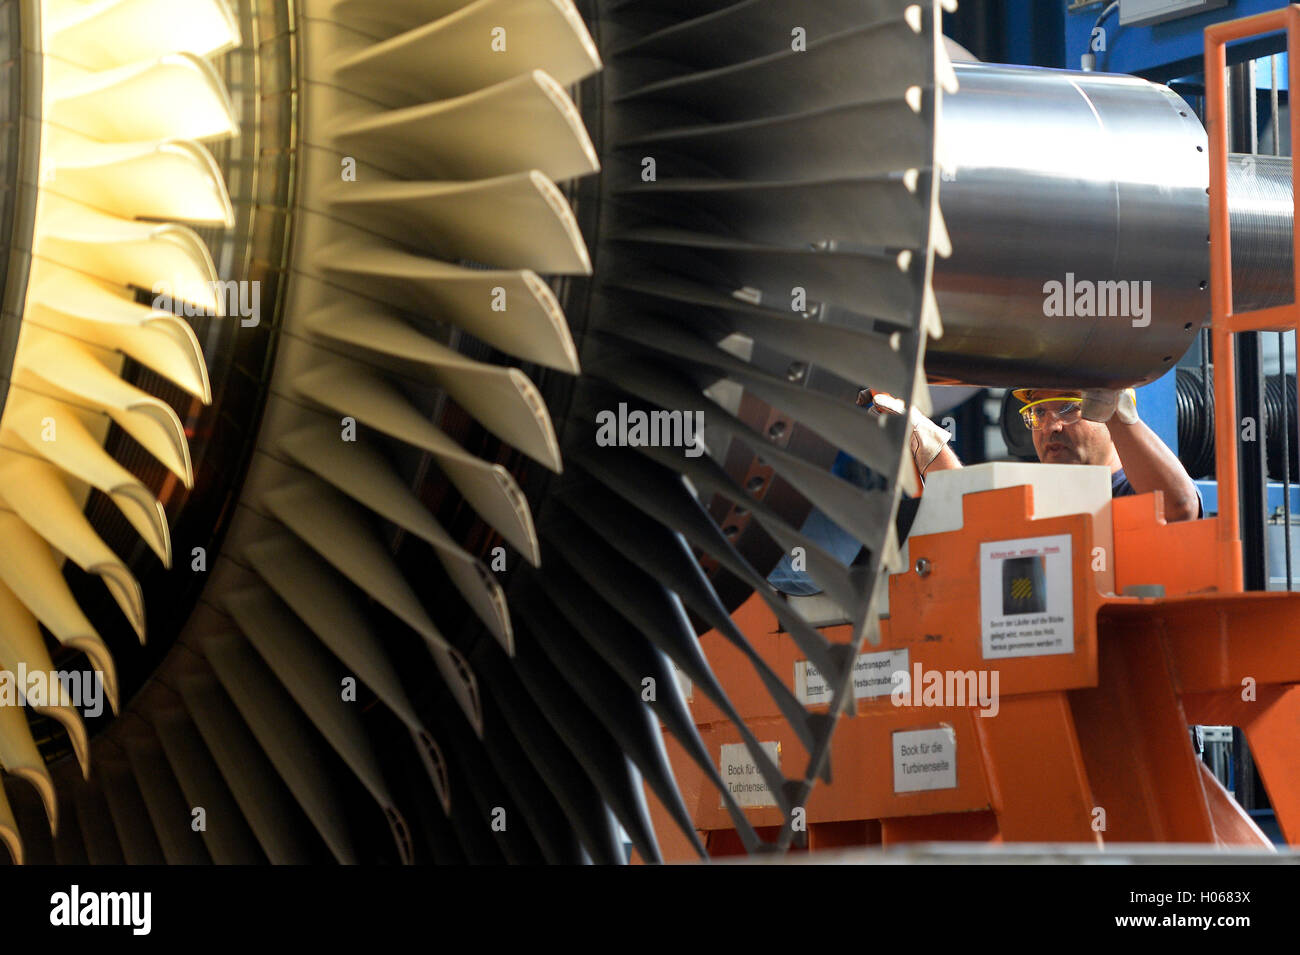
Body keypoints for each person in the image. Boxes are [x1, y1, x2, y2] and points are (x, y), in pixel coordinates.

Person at [880, 386, 1202, 522]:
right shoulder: (1041, 500)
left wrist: (1112, 397)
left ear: (1108, 409)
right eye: (1038, 414)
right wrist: (923, 436)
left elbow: (1179, 506)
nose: (1051, 427)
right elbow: (973, 518)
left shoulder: (1131, 492)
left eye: (1067, 408)